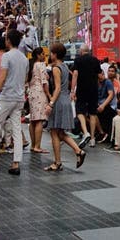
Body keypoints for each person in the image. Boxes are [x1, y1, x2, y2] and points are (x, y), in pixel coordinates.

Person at [0, 29, 28, 176]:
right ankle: (16, 163)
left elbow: (2, 78)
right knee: (16, 129)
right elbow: (25, 79)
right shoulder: (24, 58)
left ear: (8, 41)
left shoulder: (6, 57)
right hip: (19, 98)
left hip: (6, 97)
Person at [44, 42, 86, 172]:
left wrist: (50, 103)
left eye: (51, 53)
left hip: (59, 101)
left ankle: (57, 162)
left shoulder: (56, 68)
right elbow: (72, 76)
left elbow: (57, 88)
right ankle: (78, 151)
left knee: (54, 132)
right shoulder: (64, 66)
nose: (50, 55)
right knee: (61, 132)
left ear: (55, 54)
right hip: (66, 99)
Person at [70, 43, 101, 148]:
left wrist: (72, 90)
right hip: (93, 89)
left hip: (82, 89)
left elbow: (75, 74)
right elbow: (99, 75)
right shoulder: (95, 60)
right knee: (92, 113)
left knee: (79, 111)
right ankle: (92, 138)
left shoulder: (78, 60)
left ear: (81, 51)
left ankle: (85, 131)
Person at [26, 48, 50, 153]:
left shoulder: (30, 65)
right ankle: (37, 146)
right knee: (39, 119)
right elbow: (44, 82)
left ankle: (33, 144)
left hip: (31, 93)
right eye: (43, 54)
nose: (44, 56)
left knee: (33, 119)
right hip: (40, 93)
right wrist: (49, 95)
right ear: (38, 55)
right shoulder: (41, 65)